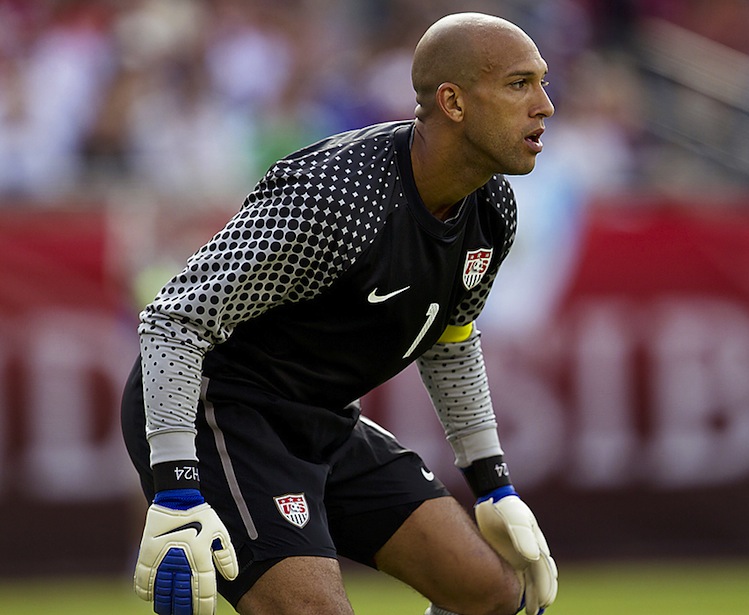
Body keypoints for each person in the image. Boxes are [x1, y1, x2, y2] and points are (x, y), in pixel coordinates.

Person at [121, 11, 557, 615]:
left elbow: (453, 339)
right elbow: (173, 319)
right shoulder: (339, 198)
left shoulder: (492, 207)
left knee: (493, 595)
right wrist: (174, 488)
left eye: (541, 82)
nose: (545, 105)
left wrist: (493, 484)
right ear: (453, 102)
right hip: (223, 409)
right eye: (519, 84)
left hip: (322, 418)